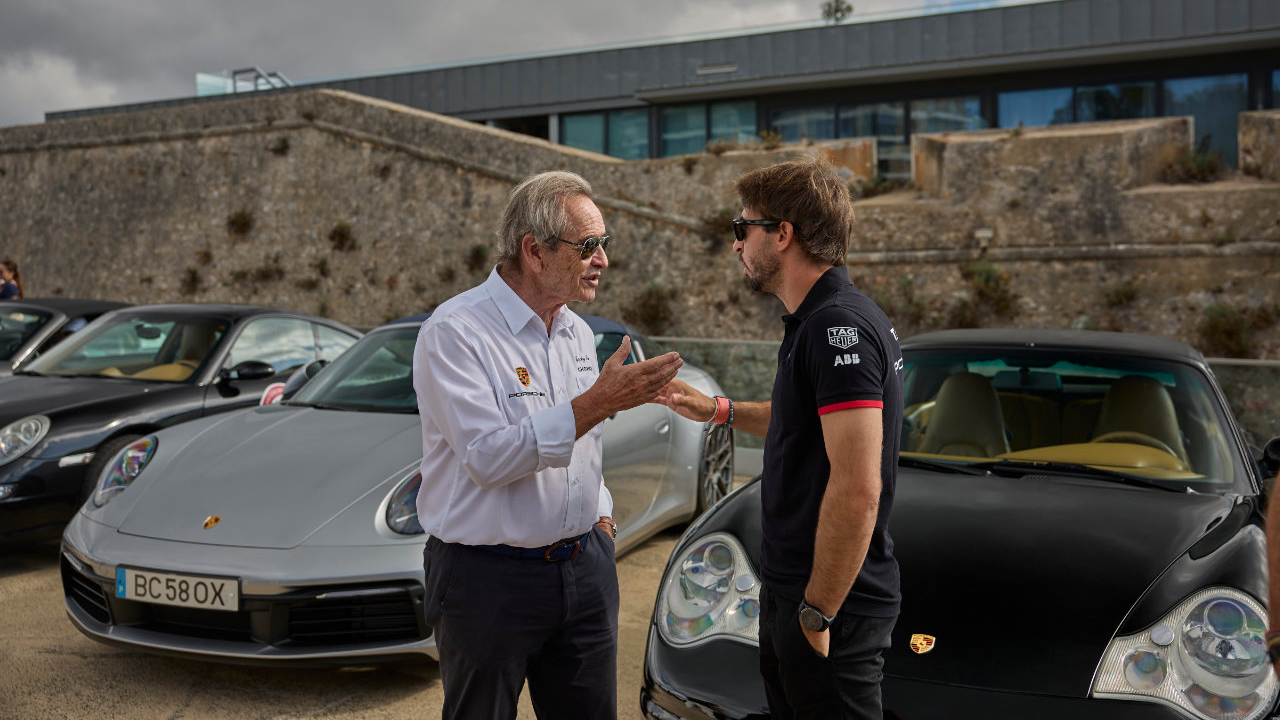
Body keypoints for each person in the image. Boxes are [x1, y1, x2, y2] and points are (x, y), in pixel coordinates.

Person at [412, 170, 683, 720]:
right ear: (534, 251)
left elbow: (585, 450)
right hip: (487, 581)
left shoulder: (578, 334)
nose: (603, 259)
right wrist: (600, 402)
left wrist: (600, 523)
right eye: (588, 246)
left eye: (604, 244)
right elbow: (489, 458)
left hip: (584, 571)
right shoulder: (455, 332)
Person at [658, 156, 903, 720]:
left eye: (743, 228)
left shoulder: (834, 327)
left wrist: (816, 615)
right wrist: (717, 409)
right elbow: (802, 419)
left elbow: (859, 487)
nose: (737, 245)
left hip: (829, 605)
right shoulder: (819, 321)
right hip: (800, 592)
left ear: (783, 234)